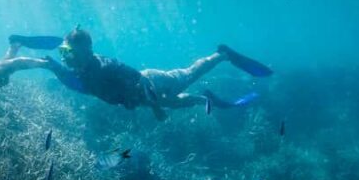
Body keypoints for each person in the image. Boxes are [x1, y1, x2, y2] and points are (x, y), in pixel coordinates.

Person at [26, 28, 272, 120]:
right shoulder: (80, 68)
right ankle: (203, 100)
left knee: (188, 76)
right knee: (174, 105)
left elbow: (141, 81)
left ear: (86, 51)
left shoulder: (105, 67)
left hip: (152, 83)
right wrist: (53, 67)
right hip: (141, 97)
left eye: (70, 54)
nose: (67, 59)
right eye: (64, 53)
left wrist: (156, 110)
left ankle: (222, 55)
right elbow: (76, 84)